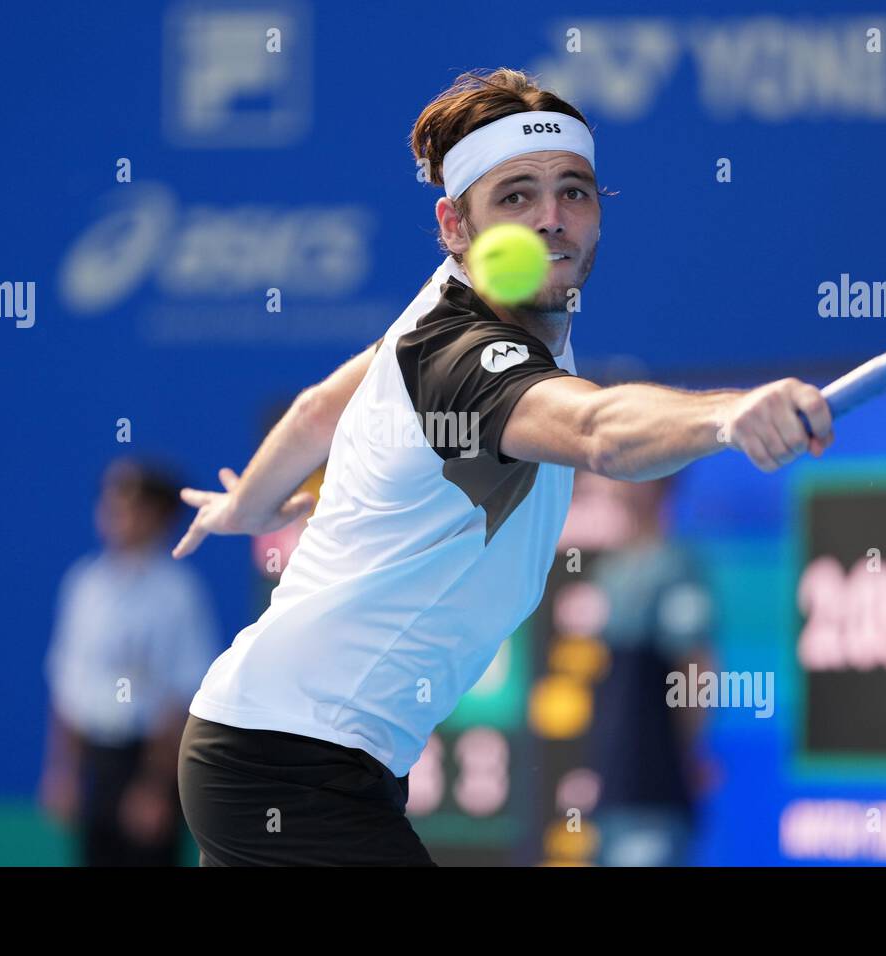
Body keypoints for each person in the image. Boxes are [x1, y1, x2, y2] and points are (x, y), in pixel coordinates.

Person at [174, 67, 834, 867]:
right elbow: (595, 429)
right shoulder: (466, 356)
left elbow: (320, 407)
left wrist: (248, 504)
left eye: (575, 192)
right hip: (291, 762)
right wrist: (726, 415)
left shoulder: (438, 313)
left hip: (274, 746)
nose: (552, 220)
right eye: (516, 197)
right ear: (455, 223)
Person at [39, 459, 220, 866]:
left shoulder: (179, 594)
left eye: (129, 505)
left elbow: (181, 696)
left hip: (147, 764)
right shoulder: (83, 585)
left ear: (158, 516)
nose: (114, 514)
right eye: (109, 502)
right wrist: (63, 772)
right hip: (96, 766)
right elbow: (67, 683)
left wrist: (154, 787)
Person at [577, 470, 719, 866]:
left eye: (626, 467)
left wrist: (687, 751)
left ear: (655, 479)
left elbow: (695, 672)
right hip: (614, 791)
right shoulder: (610, 570)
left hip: (656, 791)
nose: (612, 478)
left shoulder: (676, 568)